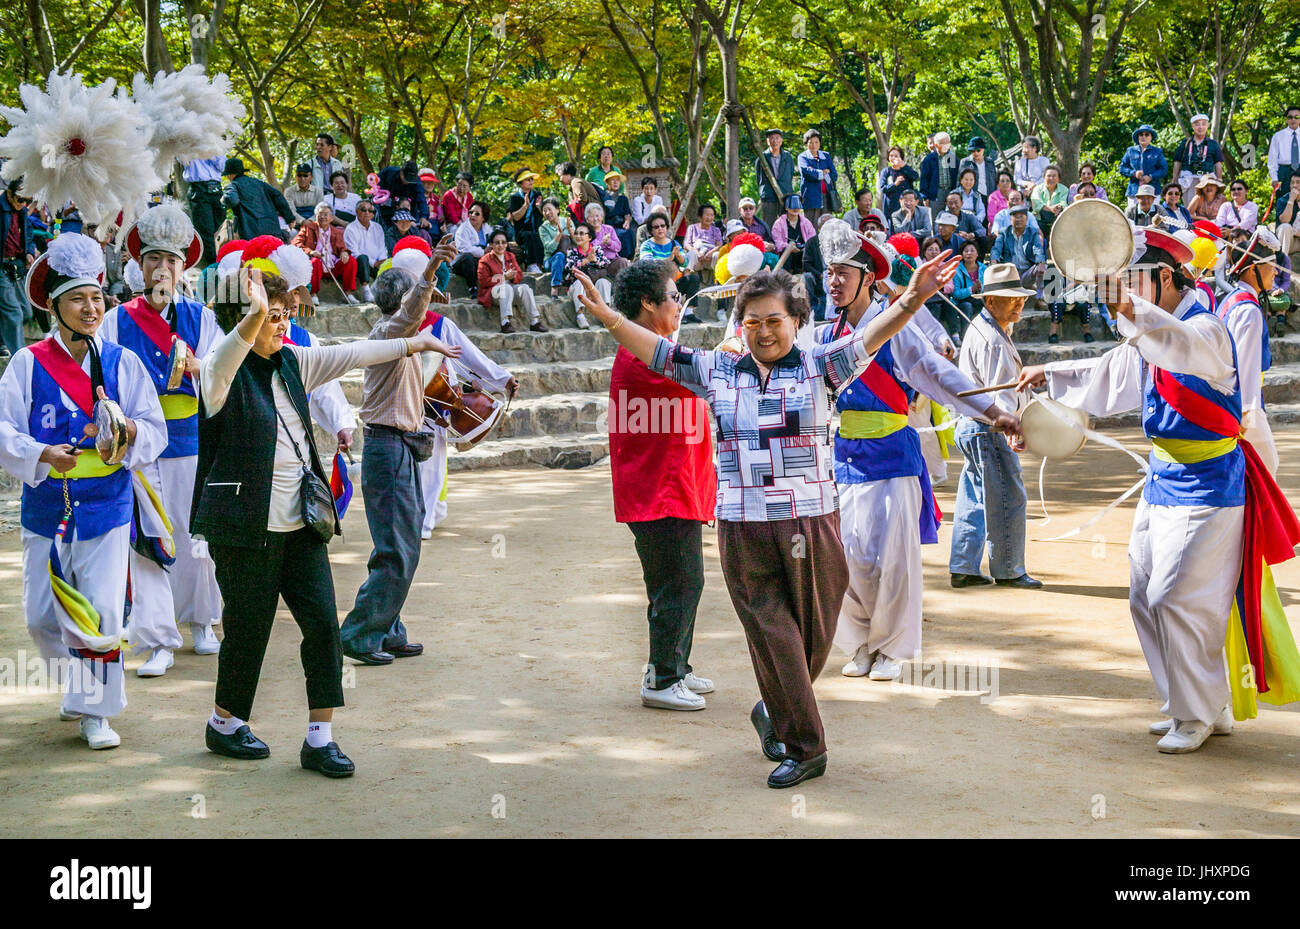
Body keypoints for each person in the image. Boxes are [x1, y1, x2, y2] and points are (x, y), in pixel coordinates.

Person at [571, 253, 964, 788]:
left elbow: (874, 334)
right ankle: (806, 747)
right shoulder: (715, 371)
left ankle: (771, 711)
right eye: (751, 321)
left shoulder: (822, 364)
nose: (762, 331)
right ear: (741, 324)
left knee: (814, 635)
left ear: (796, 322)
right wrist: (611, 319)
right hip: (744, 525)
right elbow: (659, 353)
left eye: (774, 320)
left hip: (813, 523)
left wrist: (913, 299)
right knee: (773, 633)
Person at [1018, 227, 1300, 752]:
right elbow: (1108, 375)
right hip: (1162, 477)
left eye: (1134, 282)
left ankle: (1199, 713)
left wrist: (1123, 302)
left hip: (1211, 483)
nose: (1126, 294)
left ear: (1163, 278)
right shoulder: (1152, 337)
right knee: (1143, 596)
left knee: (1176, 594)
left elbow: (1177, 346)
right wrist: (1046, 375)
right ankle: (1188, 701)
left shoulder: (1207, 330)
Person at [195, 262, 459, 774]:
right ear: (242, 319)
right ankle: (224, 723)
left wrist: (414, 345)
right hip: (244, 528)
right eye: (271, 317)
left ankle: (320, 737)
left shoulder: (293, 360)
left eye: (284, 315)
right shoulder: (218, 370)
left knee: (321, 625)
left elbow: (356, 353)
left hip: (300, 525)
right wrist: (253, 314)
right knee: (249, 630)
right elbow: (230, 355)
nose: (281, 325)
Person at [815, 221, 1022, 684]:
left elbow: (937, 374)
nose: (833, 282)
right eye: (829, 272)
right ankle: (863, 642)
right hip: (845, 456)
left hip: (894, 453)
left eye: (843, 273)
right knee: (846, 556)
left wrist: (993, 412)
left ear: (869, 278)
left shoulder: (896, 327)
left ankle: (892, 648)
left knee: (894, 558)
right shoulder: (825, 332)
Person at [0, 232, 166, 750]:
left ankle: (98, 713)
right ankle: (77, 686)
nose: (91, 307)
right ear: (54, 306)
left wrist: (124, 429)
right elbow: (4, 429)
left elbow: (153, 427)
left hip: (107, 504)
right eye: (78, 298)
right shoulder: (26, 363)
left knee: (99, 610)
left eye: (96, 297)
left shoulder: (122, 362)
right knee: (41, 616)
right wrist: (43, 454)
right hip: (47, 504)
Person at [100, 204, 223, 669]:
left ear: (183, 267)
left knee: (196, 535)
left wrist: (196, 367)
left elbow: (219, 375)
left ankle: (202, 621)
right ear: (140, 264)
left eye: (172, 260)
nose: (162, 268)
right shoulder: (115, 321)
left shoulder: (201, 318)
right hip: (139, 446)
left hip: (191, 438)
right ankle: (156, 638)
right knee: (149, 538)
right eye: (154, 258)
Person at [335, 244, 463, 669]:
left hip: (396, 448)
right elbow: (411, 311)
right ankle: (358, 633)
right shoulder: (389, 332)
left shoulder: (396, 338)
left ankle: (387, 630)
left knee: (399, 543)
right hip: (388, 449)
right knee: (397, 547)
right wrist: (430, 269)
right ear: (402, 302)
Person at [605, 260, 717, 710]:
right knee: (680, 582)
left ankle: (673, 666)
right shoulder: (644, 355)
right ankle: (663, 676)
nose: (678, 303)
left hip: (668, 486)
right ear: (648, 305)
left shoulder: (651, 349)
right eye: (672, 296)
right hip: (661, 490)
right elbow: (705, 376)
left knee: (678, 581)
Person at [948, 262, 1040, 590]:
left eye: (1021, 298)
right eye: (1010, 298)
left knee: (975, 497)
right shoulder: (992, 339)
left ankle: (964, 565)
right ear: (990, 301)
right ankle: (1009, 568)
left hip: (975, 426)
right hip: (990, 428)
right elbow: (1000, 396)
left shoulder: (989, 331)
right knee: (1007, 498)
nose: (1019, 303)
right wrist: (1015, 427)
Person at [413, 289, 517, 539]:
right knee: (426, 467)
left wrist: (502, 379)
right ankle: (428, 518)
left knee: (429, 466)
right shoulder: (396, 326)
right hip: (408, 406)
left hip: (432, 409)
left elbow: (470, 356)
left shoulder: (438, 325)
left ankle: (429, 518)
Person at [1218, 231, 1282, 474]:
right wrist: (1245, 416)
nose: (1276, 272)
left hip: (1233, 403)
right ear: (1253, 268)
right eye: (1271, 266)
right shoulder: (1249, 311)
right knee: (1266, 470)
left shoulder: (1232, 299)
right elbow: (1244, 366)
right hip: (1244, 407)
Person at [478, 228, 545, 333]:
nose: (501, 245)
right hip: (493, 294)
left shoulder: (510, 256)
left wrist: (513, 276)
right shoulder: (485, 260)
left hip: (510, 293)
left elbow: (519, 275)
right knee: (506, 288)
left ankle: (534, 322)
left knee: (525, 288)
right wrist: (504, 277)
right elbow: (483, 281)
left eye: (503, 242)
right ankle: (505, 323)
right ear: (491, 245)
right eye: (497, 243)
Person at [0, 181, 37, 357]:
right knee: (13, 312)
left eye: (27, 201)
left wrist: (29, 252)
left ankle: (2, 341)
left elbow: (28, 234)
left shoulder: (21, 211)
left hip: (17, 266)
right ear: (9, 193)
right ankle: (21, 358)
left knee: (25, 311)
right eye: (21, 199)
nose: (23, 204)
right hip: (1, 267)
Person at [293, 203, 358, 302]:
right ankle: (313, 294)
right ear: (316, 216)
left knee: (351, 261)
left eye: (326, 214)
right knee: (315, 261)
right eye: (320, 214)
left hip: (332, 265)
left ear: (332, 217)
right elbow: (296, 243)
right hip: (317, 263)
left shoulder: (336, 231)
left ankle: (348, 293)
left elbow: (342, 247)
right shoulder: (308, 228)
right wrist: (311, 252)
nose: (323, 217)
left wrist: (344, 253)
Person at [223, 158, 297, 240]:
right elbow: (278, 196)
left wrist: (222, 202)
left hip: (250, 232)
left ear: (230, 175)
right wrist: (290, 218)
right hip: (271, 228)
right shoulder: (260, 183)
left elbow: (232, 200)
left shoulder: (233, 186)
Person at [638, 211, 700, 303]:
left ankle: (688, 312)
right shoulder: (646, 245)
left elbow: (686, 262)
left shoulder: (674, 243)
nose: (660, 229)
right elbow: (647, 264)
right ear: (651, 230)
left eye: (663, 226)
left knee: (693, 278)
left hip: (675, 281)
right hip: (656, 283)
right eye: (656, 227)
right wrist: (669, 259)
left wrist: (678, 256)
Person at [564, 223, 612, 328]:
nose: (578, 236)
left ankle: (606, 314)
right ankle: (580, 315)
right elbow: (569, 268)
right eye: (576, 233)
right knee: (579, 282)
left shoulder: (596, 249)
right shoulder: (572, 251)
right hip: (577, 287)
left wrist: (594, 260)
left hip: (593, 287)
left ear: (589, 237)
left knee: (604, 282)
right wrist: (586, 260)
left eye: (581, 233)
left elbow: (606, 263)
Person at [183, 156, 227, 267]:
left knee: (221, 228)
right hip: (199, 188)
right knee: (206, 230)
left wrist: (210, 151)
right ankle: (214, 265)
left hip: (216, 188)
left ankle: (224, 261)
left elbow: (223, 166)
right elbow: (183, 159)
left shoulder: (215, 145)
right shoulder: (186, 144)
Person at [1171, 114, 1224, 200]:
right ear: (1193, 126)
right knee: (1190, 207)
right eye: (1197, 124)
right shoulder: (1186, 143)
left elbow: (1218, 163)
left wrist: (1219, 179)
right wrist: (1175, 177)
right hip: (1188, 179)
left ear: (1208, 126)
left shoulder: (1213, 144)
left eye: (1203, 124)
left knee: (1207, 206)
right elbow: (1177, 161)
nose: (1200, 127)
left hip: (1207, 179)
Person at [343, 199, 385, 302]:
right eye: (363, 209)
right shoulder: (350, 228)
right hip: (360, 265)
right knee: (362, 258)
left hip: (377, 263)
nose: (367, 213)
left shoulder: (377, 227)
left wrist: (382, 261)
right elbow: (354, 252)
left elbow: (382, 247)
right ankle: (366, 290)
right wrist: (374, 263)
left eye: (370, 211)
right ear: (357, 211)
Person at [505, 168, 545, 271]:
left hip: (536, 229)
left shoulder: (537, 195)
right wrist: (525, 206)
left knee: (537, 236)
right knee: (528, 235)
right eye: (528, 180)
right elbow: (515, 217)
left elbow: (544, 214)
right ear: (520, 183)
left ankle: (540, 265)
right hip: (521, 232)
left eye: (532, 179)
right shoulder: (515, 197)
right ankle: (531, 264)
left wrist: (539, 207)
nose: (531, 181)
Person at [797, 129, 837, 225]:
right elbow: (807, 173)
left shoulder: (826, 156)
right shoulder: (802, 157)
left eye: (816, 142)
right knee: (811, 226)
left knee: (828, 226)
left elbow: (834, 175)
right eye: (811, 142)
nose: (814, 145)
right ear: (806, 143)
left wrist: (816, 172)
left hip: (827, 197)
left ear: (819, 143)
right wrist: (823, 172)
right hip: (811, 197)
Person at [756, 128, 794, 227]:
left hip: (785, 195)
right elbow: (758, 179)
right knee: (768, 224)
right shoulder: (762, 157)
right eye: (771, 138)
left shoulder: (787, 156)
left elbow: (790, 174)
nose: (775, 141)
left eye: (777, 138)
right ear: (767, 141)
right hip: (768, 196)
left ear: (781, 140)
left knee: (786, 224)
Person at [451, 203, 491, 296]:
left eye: (477, 214)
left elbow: (492, 242)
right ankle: (473, 288)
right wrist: (484, 252)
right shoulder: (463, 229)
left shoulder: (487, 228)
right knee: (468, 257)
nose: (472, 215)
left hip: (480, 261)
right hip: (461, 262)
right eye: (471, 212)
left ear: (483, 218)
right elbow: (464, 249)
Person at [1120, 124, 1168, 202]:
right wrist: (1134, 173)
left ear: (1151, 137)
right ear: (1138, 137)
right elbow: (1122, 168)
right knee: (1132, 213)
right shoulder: (1130, 150)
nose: (1143, 136)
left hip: (1153, 191)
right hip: (1134, 191)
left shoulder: (1157, 151)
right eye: (1141, 134)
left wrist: (1151, 176)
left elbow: (1164, 169)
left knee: (1154, 213)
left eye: (1147, 134)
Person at [539, 197, 576, 297]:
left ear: (557, 210)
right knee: (559, 255)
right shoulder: (543, 228)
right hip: (551, 261)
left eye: (549, 209)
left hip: (569, 259)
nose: (547, 213)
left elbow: (578, 243)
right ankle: (555, 287)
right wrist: (559, 235)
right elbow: (549, 248)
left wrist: (570, 230)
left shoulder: (567, 222)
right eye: (544, 210)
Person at [771, 194, 816, 273]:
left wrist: (806, 247)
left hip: (803, 253)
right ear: (786, 208)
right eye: (793, 207)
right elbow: (778, 243)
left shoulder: (806, 222)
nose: (795, 209)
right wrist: (790, 247)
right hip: (787, 255)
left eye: (797, 207)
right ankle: (786, 276)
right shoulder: (778, 224)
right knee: (786, 251)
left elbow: (813, 239)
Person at [377, 161, 427, 229]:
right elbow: (376, 183)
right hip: (387, 208)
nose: (407, 182)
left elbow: (422, 200)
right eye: (406, 178)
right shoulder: (389, 172)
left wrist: (423, 216)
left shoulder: (417, 182)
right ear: (401, 172)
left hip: (407, 212)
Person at [1266, 105, 1300, 193]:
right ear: (1286, 119)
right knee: (1283, 201)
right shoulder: (1278, 136)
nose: (1293, 119)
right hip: (1284, 172)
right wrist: (1274, 179)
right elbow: (1272, 160)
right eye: (1290, 117)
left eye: (1296, 117)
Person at [919, 131, 959, 207]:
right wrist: (925, 197)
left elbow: (956, 175)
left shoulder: (952, 157)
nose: (946, 146)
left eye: (948, 143)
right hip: (936, 193)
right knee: (935, 218)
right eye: (943, 144)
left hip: (951, 192)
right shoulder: (929, 159)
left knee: (952, 217)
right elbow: (924, 179)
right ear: (936, 145)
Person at [878, 145, 918, 216]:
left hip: (907, 207)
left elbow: (915, 177)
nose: (893, 158)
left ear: (901, 158)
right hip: (891, 208)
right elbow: (883, 188)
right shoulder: (886, 171)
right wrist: (895, 184)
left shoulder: (905, 170)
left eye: (896, 156)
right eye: (891, 156)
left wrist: (904, 166)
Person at [601, 172, 634, 257]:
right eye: (613, 180)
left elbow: (627, 214)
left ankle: (628, 258)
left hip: (621, 224)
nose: (615, 182)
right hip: (608, 225)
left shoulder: (623, 198)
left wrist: (627, 222)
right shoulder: (603, 197)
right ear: (607, 183)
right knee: (620, 234)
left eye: (617, 180)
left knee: (629, 232)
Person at [1031, 164, 1068, 240]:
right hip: (1039, 219)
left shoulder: (1064, 189)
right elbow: (1036, 204)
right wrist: (1050, 208)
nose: (1051, 178)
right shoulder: (1037, 189)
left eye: (1054, 176)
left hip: (1057, 219)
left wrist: (1059, 207)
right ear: (1044, 178)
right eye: (1048, 176)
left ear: (1058, 178)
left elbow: (1064, 203)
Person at [683, 203, 723, 272]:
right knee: (691, 254)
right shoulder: (692, 228)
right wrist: (697, 253)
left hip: (710, 260)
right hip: (697, 260)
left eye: (712, 215)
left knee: (717, 255)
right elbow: (686, 245)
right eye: (707, 215)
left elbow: (719, 245)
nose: (709, 218)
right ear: (700, 216)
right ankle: (687, 277)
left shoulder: (716, 230)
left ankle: (719, 280)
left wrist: (710, 253)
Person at [1276, 173, 1300, 258]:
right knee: (1285, 227)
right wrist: (1291, 200)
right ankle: (1282, 265)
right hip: (1289, 241)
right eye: (1292, 182)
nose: (1294, 185)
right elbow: (1284, 220)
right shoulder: (1282, 200)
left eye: (1298, 182)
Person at [418, 168, 444, 237]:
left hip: (435, 227)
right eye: (426, 182)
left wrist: (443, 224)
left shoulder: (437, 199)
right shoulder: (415, 197)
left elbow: (440, 216)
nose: (429, 184)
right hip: (420, 225)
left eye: (431, 182)